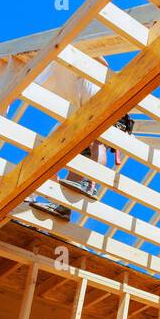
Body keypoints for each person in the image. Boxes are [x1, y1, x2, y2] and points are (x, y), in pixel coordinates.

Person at [24, 62, 131, 220]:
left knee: (98, 142)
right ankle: (62, 205)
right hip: (88, 118)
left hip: (110, 111)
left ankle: (90, 184)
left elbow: (102, 62)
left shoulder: (87, 80)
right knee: (79, 160)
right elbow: (49, 153)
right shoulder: (75, 102)